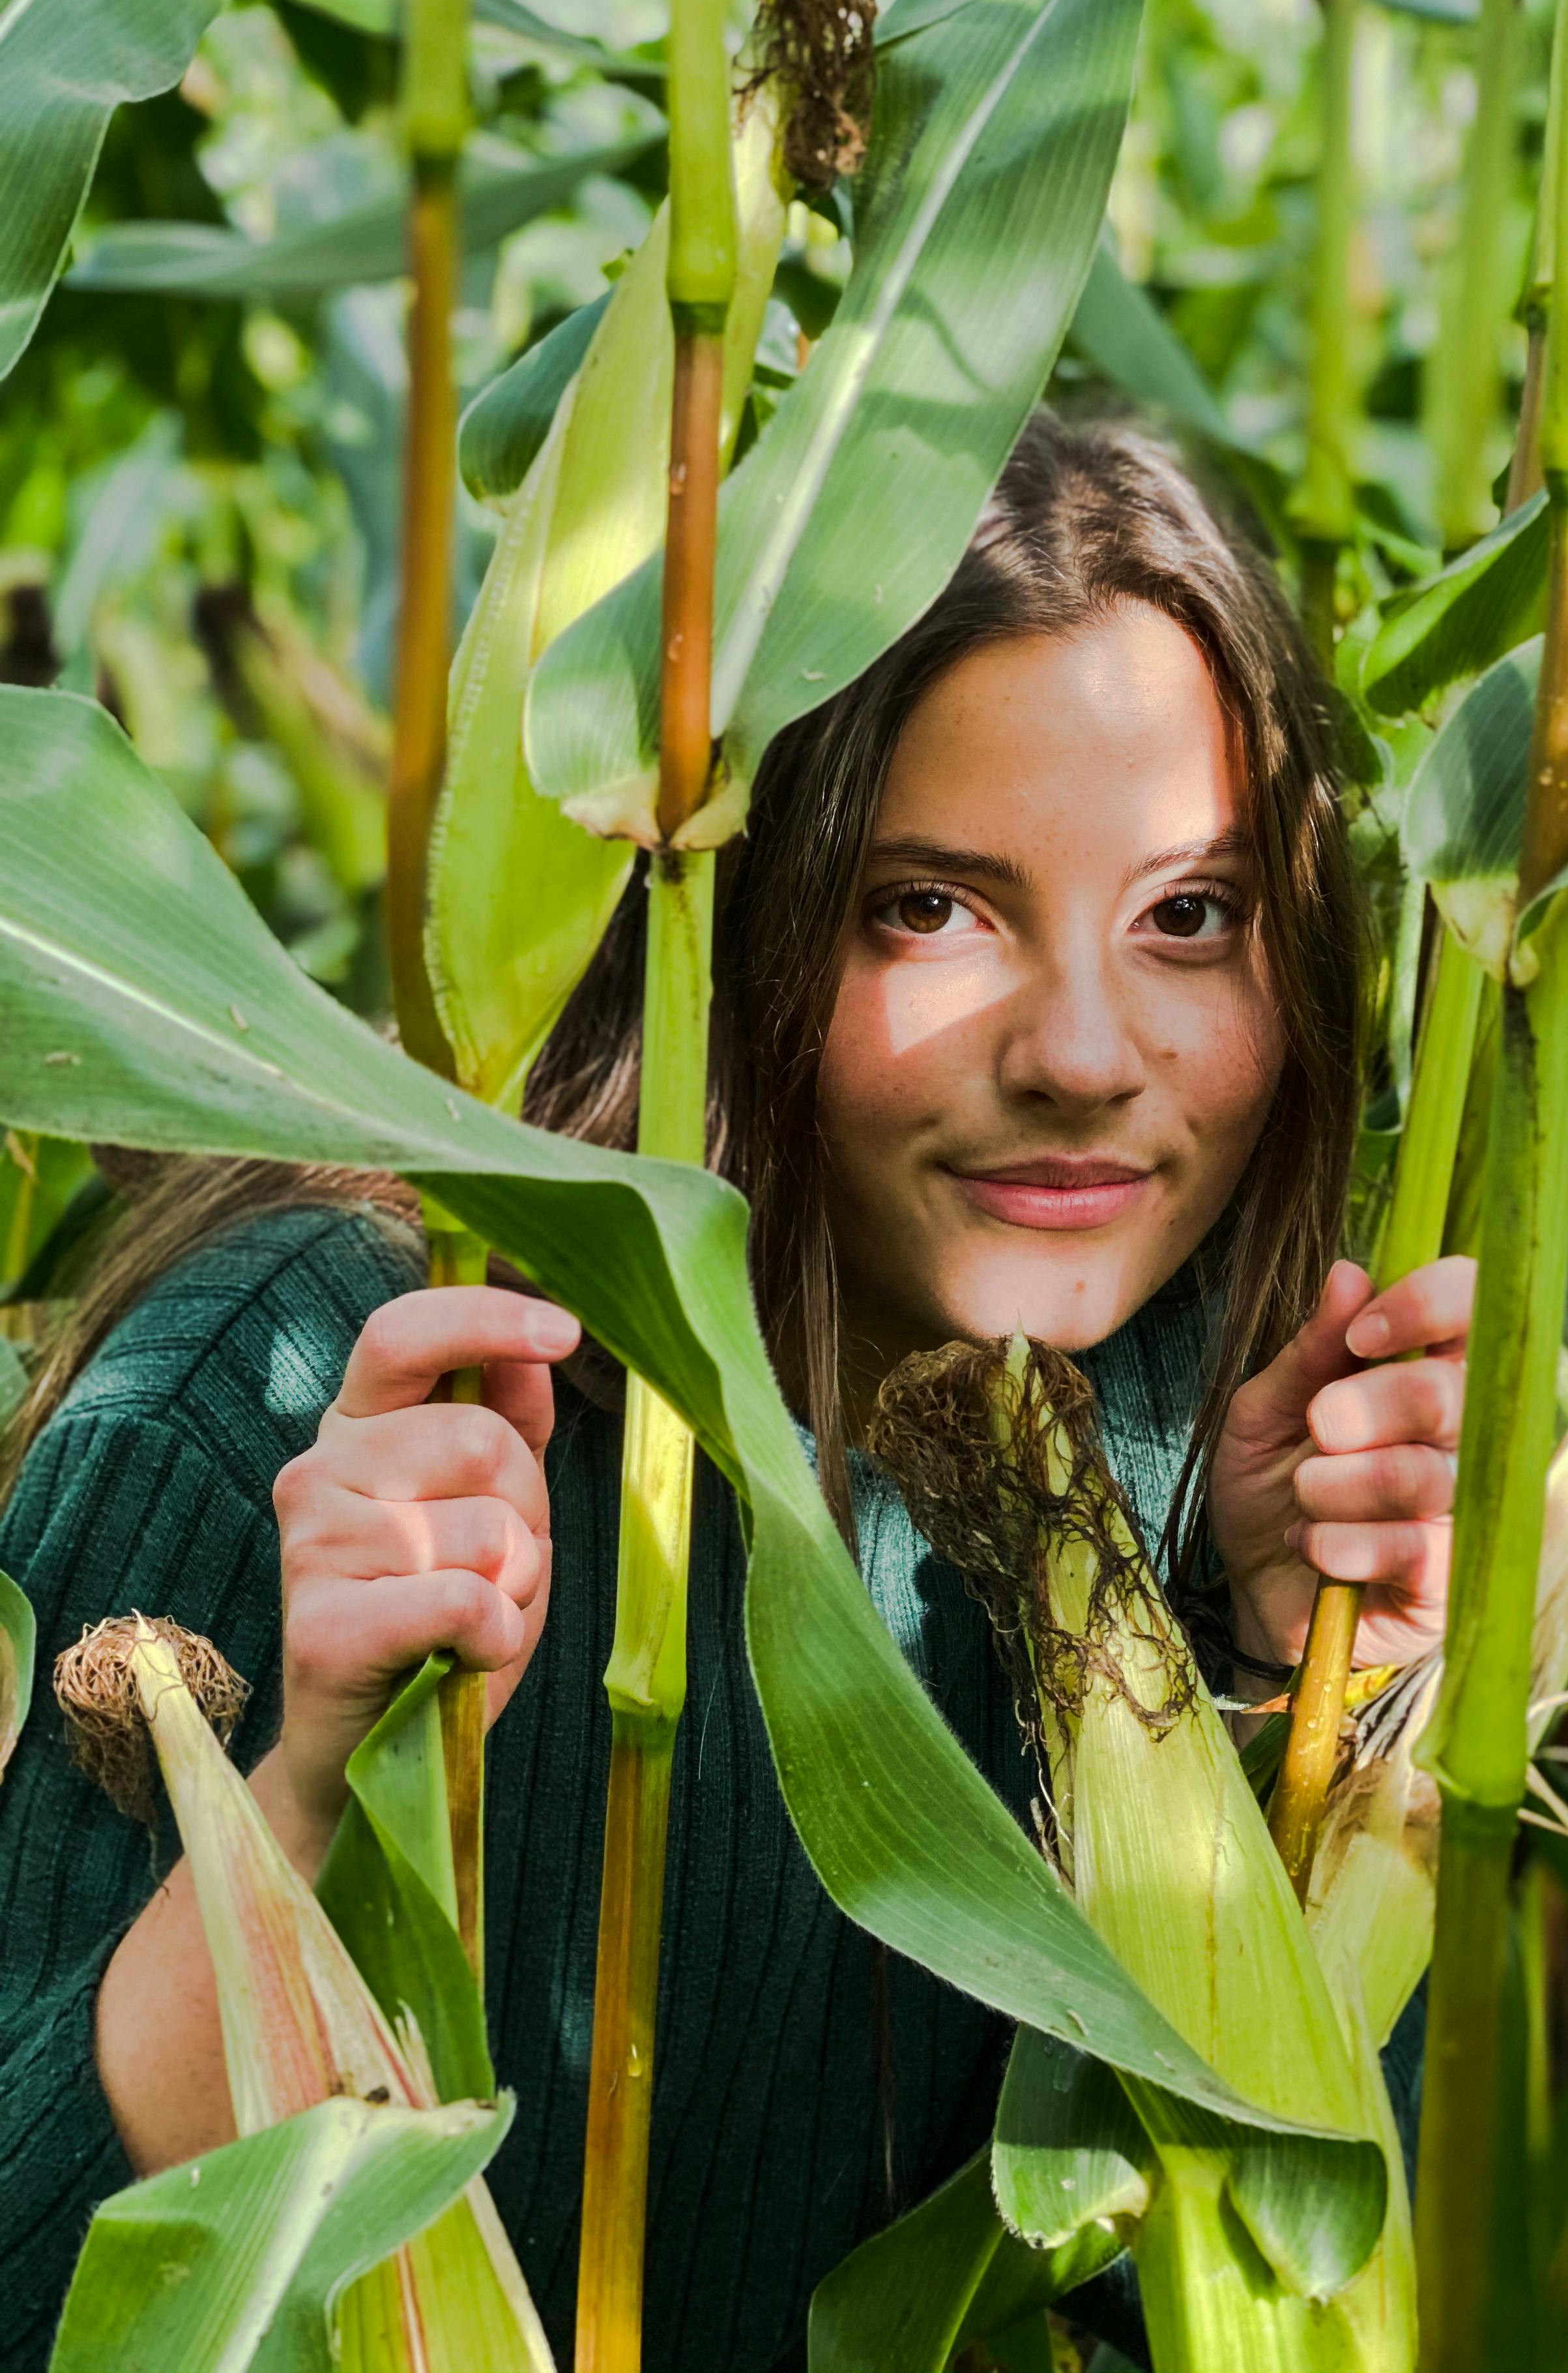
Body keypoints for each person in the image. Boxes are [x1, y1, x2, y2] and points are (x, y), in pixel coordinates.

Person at [0, 416, 1471, 2371]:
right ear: (726, 912)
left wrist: (1315, 1727)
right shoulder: (310, 1392)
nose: (1089, 1054)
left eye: (1187, 916)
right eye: (932, 906)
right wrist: (303, 1805)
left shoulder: (1193, 1457)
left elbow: (1229, 2297)